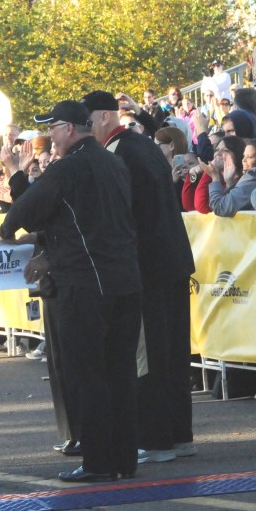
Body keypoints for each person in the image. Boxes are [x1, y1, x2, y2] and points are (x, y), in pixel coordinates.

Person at [0, 101, 142, 482]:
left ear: (69, 129)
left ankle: (97, 461)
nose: (49, 138)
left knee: (87, 373)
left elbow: (22, 213)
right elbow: (94, 220)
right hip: (125, 279)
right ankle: (124, 459)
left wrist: (11, 223)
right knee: (120, 371)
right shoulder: (113, 162)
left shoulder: (67, 168)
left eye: (52, 129)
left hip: (85, 283)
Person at [83, 91, 196, 465]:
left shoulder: (118, 152)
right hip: (172, 261)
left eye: (85, 123)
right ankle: (179, 435)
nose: (83, 131)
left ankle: (156, 438)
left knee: (149, 355)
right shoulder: (143, 144)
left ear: (103, 118)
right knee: (174, 352)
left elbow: (121, 212)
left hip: (147, 267)